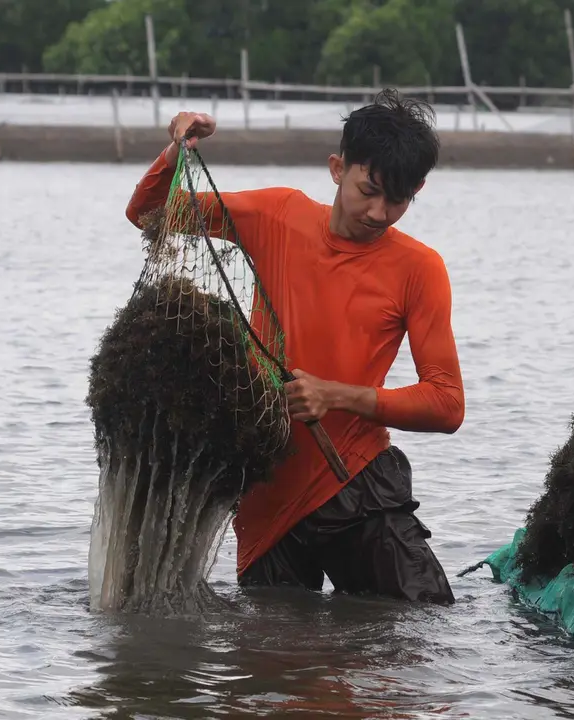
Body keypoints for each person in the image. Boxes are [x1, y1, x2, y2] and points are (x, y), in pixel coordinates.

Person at [123, 90, 465, 605]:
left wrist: (339, 396)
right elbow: (149, 214)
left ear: (416, 190)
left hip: (356, 484)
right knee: (275, 663)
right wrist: (178, 152)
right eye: (367, 190)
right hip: (265, 502)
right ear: (337, 168)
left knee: (420, 632)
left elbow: (446, 403)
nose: (378, 212)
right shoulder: (277, 214)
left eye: (397, 200)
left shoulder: (420, 269)